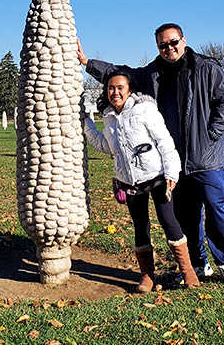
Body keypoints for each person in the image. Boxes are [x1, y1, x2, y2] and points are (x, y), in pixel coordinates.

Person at [78, 23, 224, 284]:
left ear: (184, 40)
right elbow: (120, 75)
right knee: (186, 216)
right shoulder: (152, 73)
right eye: (163, 45)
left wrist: (210, 134)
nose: (169, 48)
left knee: (216, 208)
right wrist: (88, 62)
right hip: (171, 160)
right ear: (158, 47)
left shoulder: (206, 69)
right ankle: (198, 264)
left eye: (173, 42)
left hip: (205, 158)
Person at [83, 70, 200, 292]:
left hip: (156, 177)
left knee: (169, 221)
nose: (115, 92)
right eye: (110, 88)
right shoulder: (108, 117)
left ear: (129, 89)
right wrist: (87, 125)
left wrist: (171, 173)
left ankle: (188, 271)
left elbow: (164, 141)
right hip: (128, 181)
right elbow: (107, 147)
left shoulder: (144, 109)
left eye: (120, 87)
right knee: (140, 226)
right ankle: (147, 275)